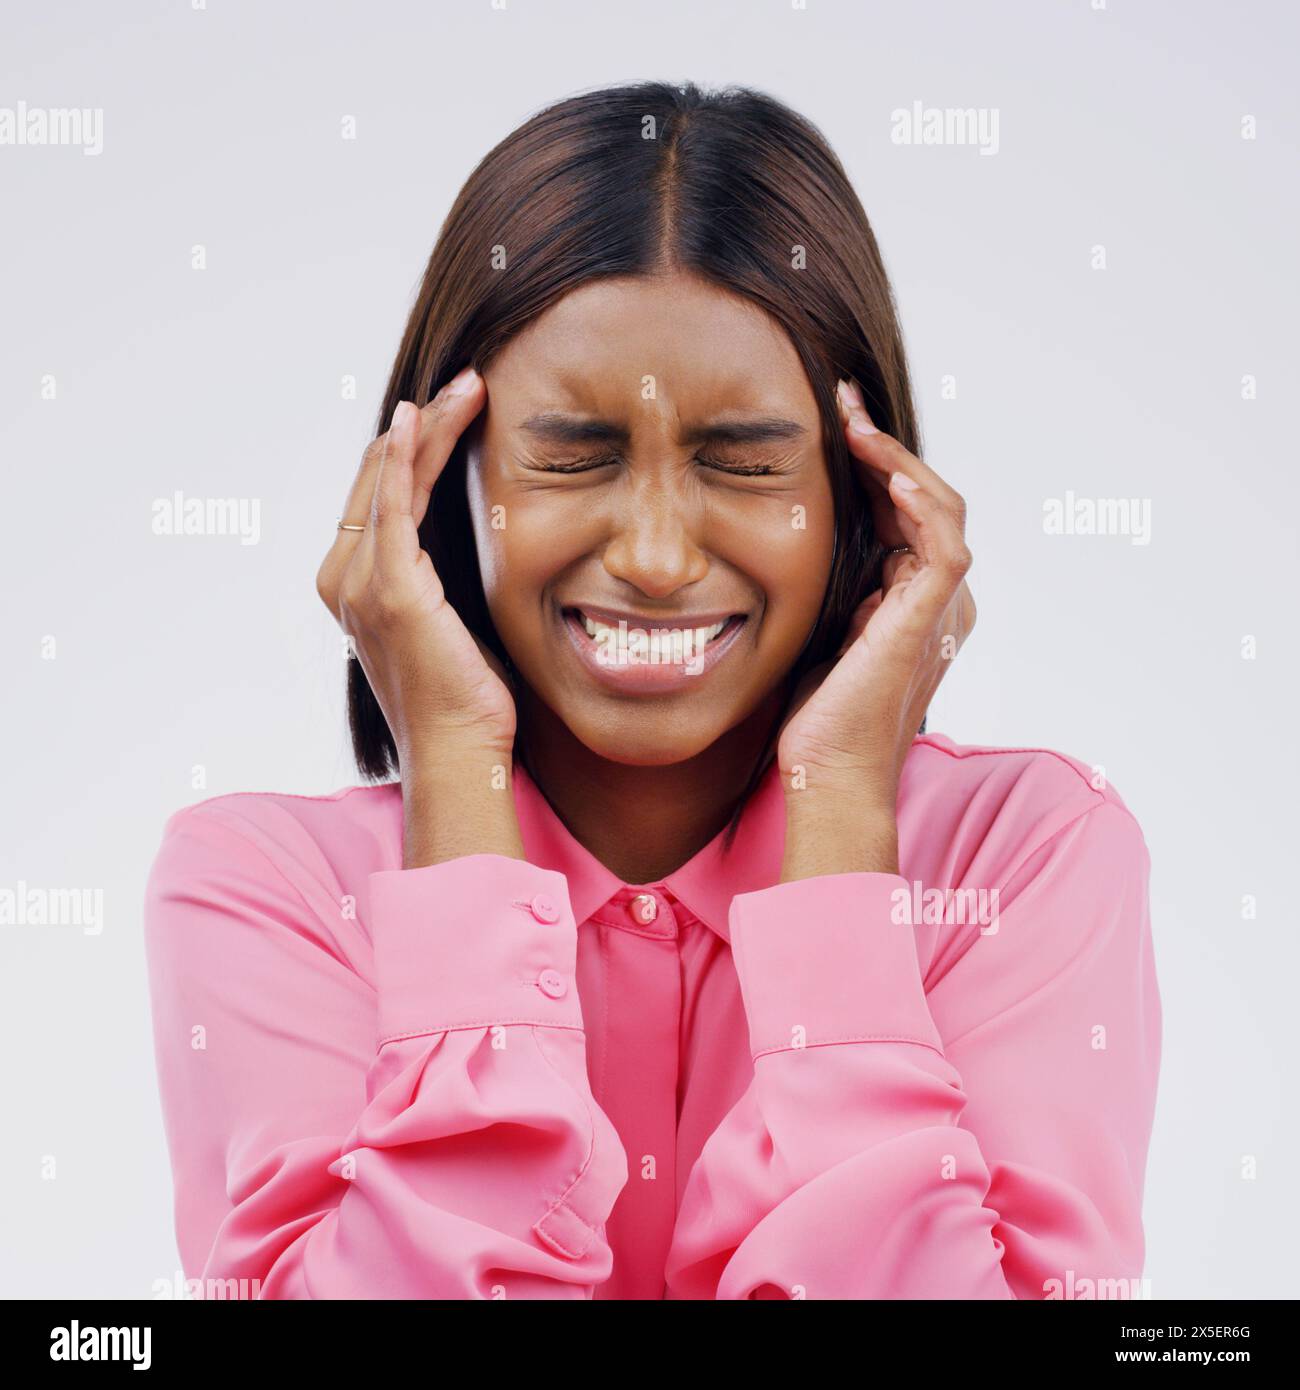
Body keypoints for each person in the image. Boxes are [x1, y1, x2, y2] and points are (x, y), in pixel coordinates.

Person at [144, 82, 1161, 1300]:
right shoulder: (265, 892)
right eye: (570, 456)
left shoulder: (1020, 864)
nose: (658, 555)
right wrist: (455, 781)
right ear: (435, 486)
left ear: (865, 494)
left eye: (746, 462)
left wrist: (838, 815)